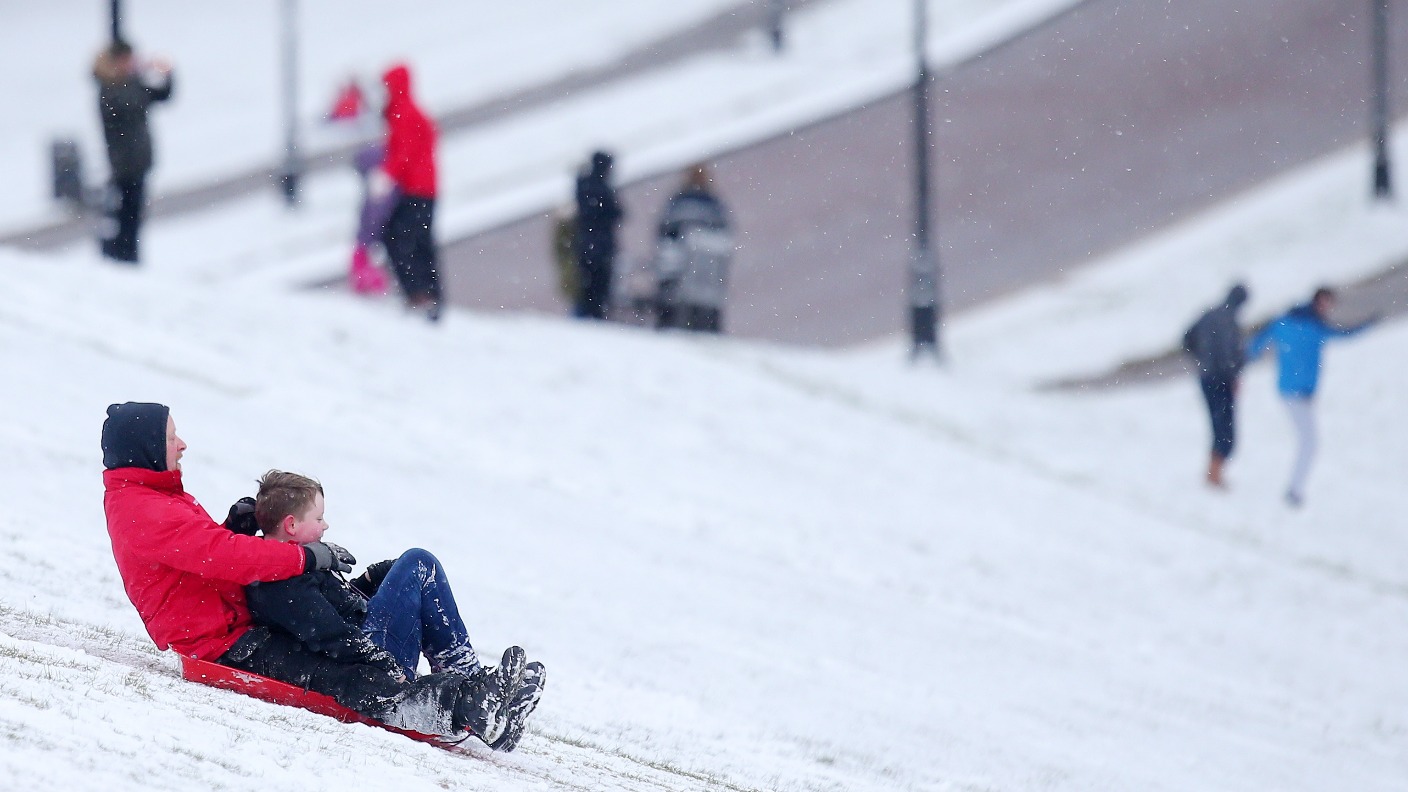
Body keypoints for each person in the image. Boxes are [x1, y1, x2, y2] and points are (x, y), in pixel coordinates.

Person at [100, 402, 517, 743]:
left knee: (348, 657)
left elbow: (205, 557)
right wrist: (307, 558)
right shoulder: (146, 510)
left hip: (235, 629)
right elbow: (226, 557)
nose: (182, 444)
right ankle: (467, 702)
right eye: (171, 438)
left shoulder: (154, 498)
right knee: (342, 675)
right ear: (146, 447)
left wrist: (236, 528)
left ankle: (475, 690)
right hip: (223, 644)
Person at [241, 470, 546, 752]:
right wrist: (383, 662)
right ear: (291, 525)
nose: (325, 525)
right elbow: (330, 635)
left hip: (369, 648)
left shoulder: (294, 562)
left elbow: (331, 609)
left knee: (416, 567)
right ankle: (475, 687)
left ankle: (490, 704)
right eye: (319, 518)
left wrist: (368, 582)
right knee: (418, 562)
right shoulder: (277, 580)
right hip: (371, 665)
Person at [1245, 287, 1378, 507]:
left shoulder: (1304, 324)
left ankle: (1294, 490)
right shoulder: (1299, 324)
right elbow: (1255, 346)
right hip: (1293, 393)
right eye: (1325, 302)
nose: (1327, 307)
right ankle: (1293, 491)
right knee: (1309, 443)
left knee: (1308, 442)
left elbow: (1256, 346)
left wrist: (1367, 325)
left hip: (1301, 393)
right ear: (1316, 300)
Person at [93, 40, 173, 264]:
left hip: (138, 163)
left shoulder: (130, 85)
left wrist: (167, 75)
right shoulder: (110, 90)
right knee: (125, 220)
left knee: (133, 218)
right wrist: (137, 76)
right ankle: (124, 260)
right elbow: (128, 106)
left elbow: (162, 96)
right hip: (124, 166)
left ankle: (129, 259)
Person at [375, 63, 441, 321]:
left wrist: (387, 175)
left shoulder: (404, 113)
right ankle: (428, 296)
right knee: (419, 241)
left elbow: (404, 152)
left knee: (401, 239)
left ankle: (419, 295)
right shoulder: (406, 111)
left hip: (416, 189)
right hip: (422, 187)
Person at [1182, 283, 1249, 488]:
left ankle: (1213, 472)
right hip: (1222, 380)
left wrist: (1201, 359)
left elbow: (1187, 338)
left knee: (1217, 424)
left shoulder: (1209, 314)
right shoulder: (1230, 322)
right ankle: (1214, 475)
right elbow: (1233, 355)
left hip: (1206, 377)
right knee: (1224, 428)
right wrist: (1234, 375)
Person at [654, 164, 733, 333]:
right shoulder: (712, 204)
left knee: (673, 300)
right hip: (704, 270)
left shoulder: (679, 201)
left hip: (682, 265)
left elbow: (665, 230)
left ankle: (670, 324)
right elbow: (723, 232)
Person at [574, 151, 623, 320]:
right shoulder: (602, 188)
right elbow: (616, 213)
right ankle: (594, 317)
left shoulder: (584, 185)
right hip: (601, 246)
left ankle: (586, 316)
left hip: (585, 244)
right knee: (599, 289)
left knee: (586, 288)